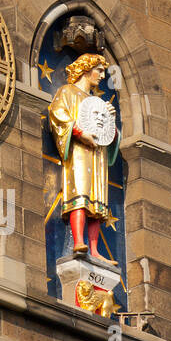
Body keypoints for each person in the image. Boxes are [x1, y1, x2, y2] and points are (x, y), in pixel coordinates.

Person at [48, 52, 120, 258]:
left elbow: (108, 134)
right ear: (86, 70)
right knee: (79, 193)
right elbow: (58, 114)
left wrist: (111, 126)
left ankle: (95, 249)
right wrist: (80, 133)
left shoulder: (97, 101)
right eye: (99, 70)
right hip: (78, 153)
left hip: (97, 155)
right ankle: (79, 241)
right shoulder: (67, 92)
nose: (102, 76)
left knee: (97, 199)